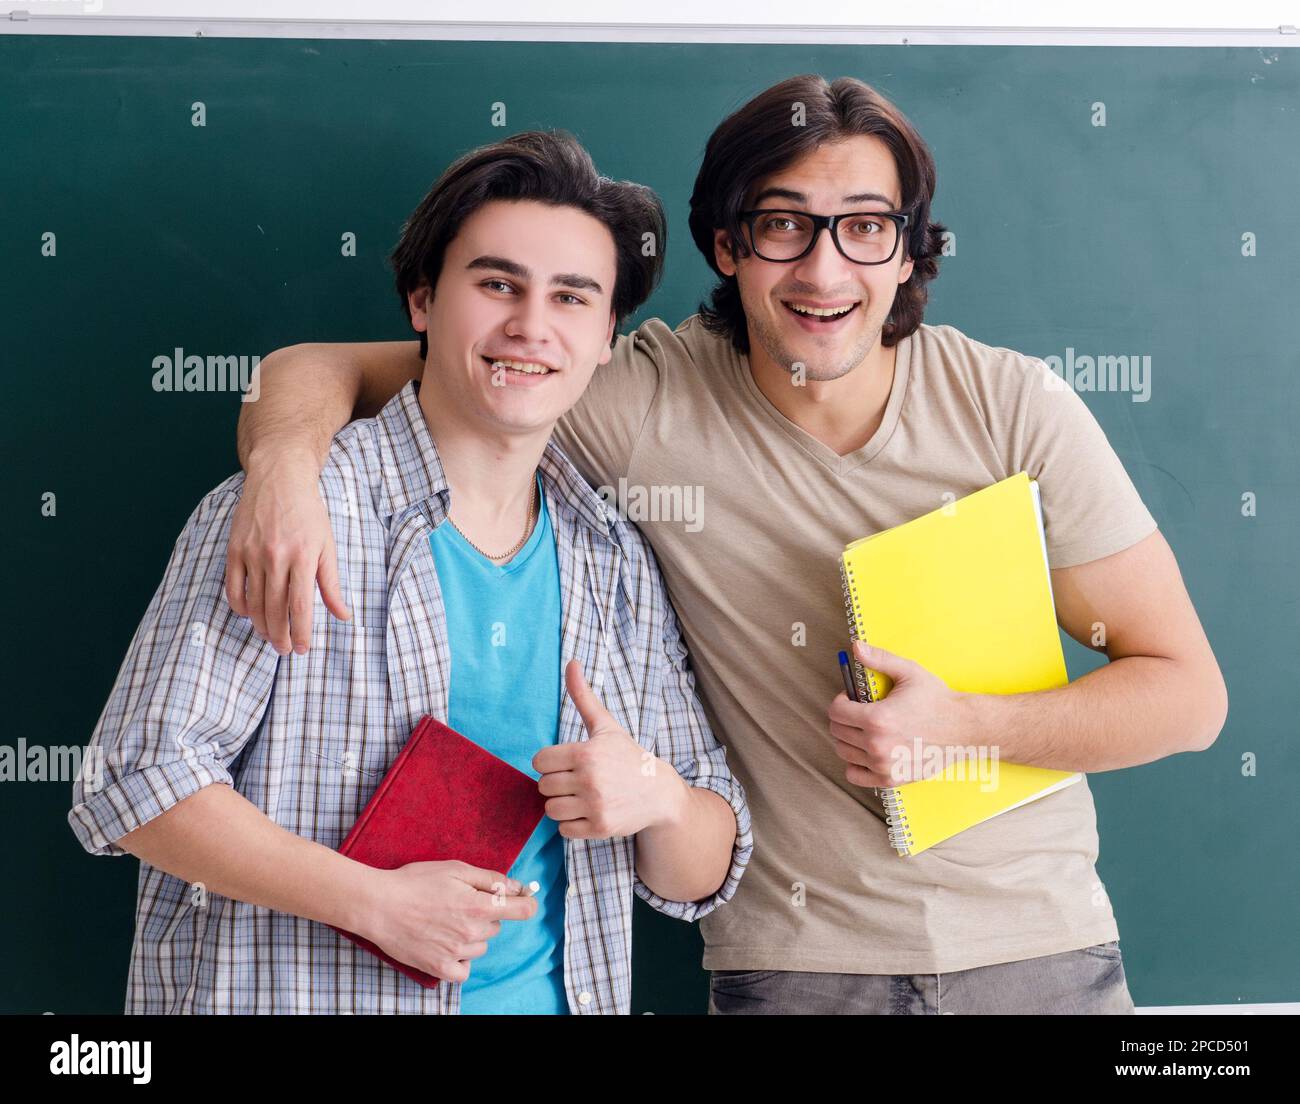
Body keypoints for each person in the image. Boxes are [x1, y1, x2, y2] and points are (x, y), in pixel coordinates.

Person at [225, 75, 1227, 1015]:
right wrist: (279, 476)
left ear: (910, 250)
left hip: (1036, 956)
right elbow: (315, 370)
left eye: (865, 228)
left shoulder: (1012, 409)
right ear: (725, 245)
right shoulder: (632, 395)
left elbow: (1187, 696)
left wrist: (967, 726)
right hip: (791, 969)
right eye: (783, 225)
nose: (823, 268)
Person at [68, 130, 752, 1015]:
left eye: (572, 298)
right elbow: (134, 779)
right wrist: (374, 904)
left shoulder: (613, 560)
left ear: (605, 344)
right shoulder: (295, 513)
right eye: (497, 283)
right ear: (423, 301)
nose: (531, 326)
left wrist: (655, 797)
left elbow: (701, 871)